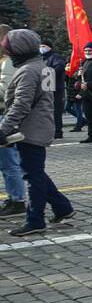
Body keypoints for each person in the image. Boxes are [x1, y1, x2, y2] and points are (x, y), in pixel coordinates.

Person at [0, 29, 74, 236]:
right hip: (42, 125)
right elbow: (48, 97)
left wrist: (3, 128)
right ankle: (62, 207)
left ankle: (35, 220)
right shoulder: (43, 67)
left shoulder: (27, 71)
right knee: (35, 171)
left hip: (30, 129)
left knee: (32, 175)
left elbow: (21, 104)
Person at [0, 25, 26, 218]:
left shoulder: (7, 62)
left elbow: (5, 89)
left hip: (4, 115)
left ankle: (17, 200)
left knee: (9, 162)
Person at [38, 38, 66, 139]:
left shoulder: (55, 57)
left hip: (55, 88)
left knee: (56, 110)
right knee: (46, 110)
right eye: (40, 46)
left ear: (49, 47)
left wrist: (47, 74)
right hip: (45, 88)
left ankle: (58, 131)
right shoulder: (40, 57)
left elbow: (59, 67)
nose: (41, 48)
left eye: (44, 46)